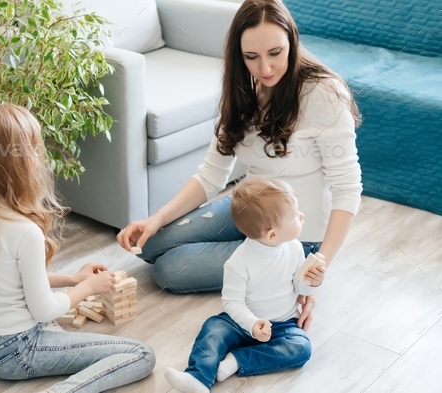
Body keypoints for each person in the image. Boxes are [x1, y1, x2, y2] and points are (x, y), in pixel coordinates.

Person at [117, 0, 362, 328]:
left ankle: (271, 267)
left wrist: (317, 267)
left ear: (292, 40)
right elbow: (211, 173)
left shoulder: (324, 94)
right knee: (151, 244)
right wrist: (156, 218)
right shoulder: (242, 89)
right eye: (252, 58)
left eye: (276, 52)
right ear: (239, 55)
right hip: (249, 209)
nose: (265, 69)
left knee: (168, 270)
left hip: (293, 232)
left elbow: (347, 190)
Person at [0, 102, 155, 392]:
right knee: (141, 354)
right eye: (34, 150)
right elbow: (44, 310)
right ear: (17, 164)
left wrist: (73, 278)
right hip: (14, 351)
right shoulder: (24, 230)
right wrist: (88, 288)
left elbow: (8, 283)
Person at [165, 178, 325, 392]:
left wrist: (312, 284)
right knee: (214, 328)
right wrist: (251, 324)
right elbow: (232, 302)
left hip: (283, 324)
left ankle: (237, 361)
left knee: (301, 347)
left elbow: (300, 288)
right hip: (241, 323)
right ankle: (198, 377)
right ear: (272, 234)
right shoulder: (238, 262)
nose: (302, 216)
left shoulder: (295, 248)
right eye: (295, 215)